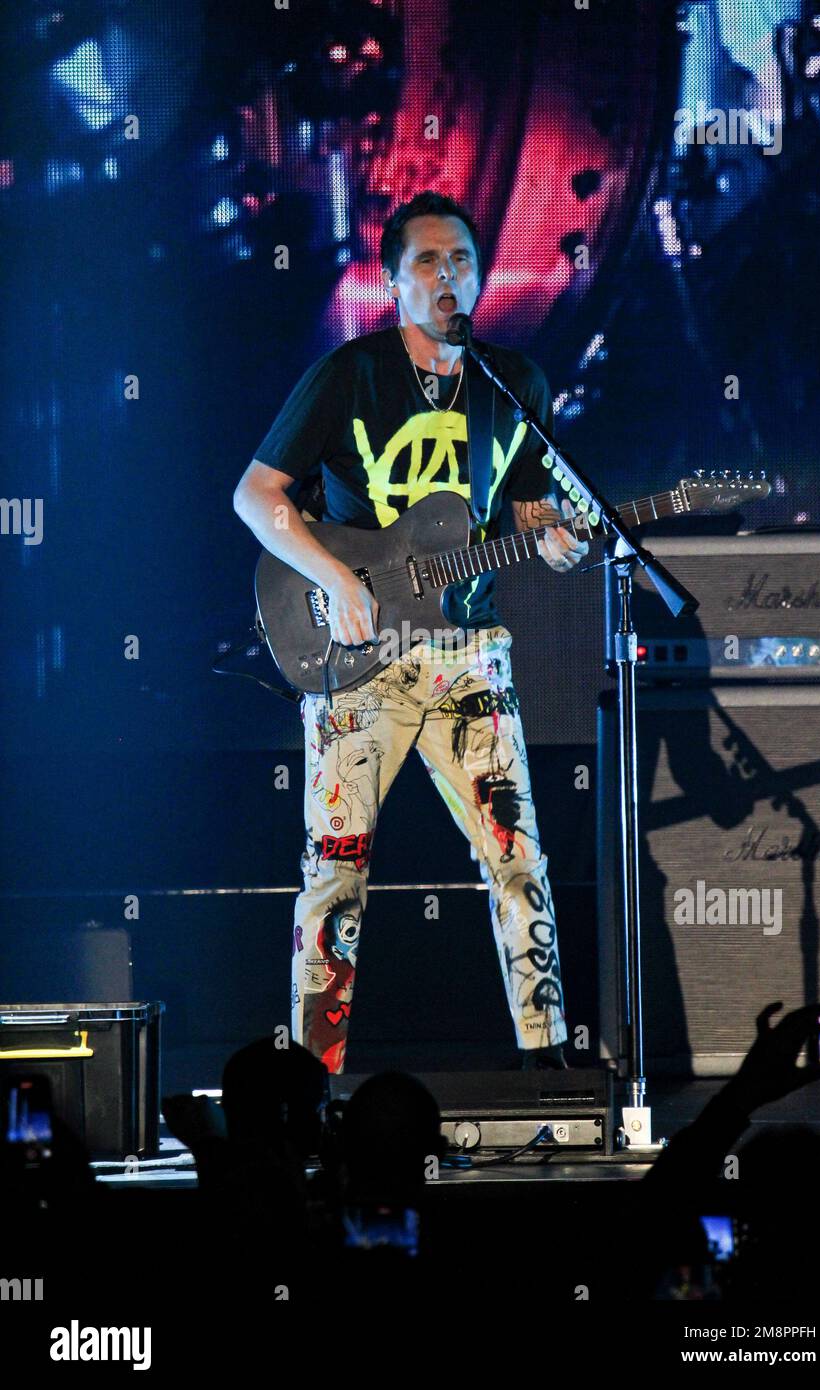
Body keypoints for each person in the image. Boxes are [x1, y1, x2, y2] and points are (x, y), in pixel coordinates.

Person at [234, 190, 588, 1074]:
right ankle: (311, 1081)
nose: (446, 276)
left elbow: (538, 529)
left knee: (518, 861)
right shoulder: (349, 374)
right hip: (361, 662)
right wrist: (336, 576)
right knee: (336, 877)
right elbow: (255, 494)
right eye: (427, 261)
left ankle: (547, 1067)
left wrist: (564, 545)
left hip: (471, 656)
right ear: (393, 279)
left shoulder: (517, 385)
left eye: (461, 260)